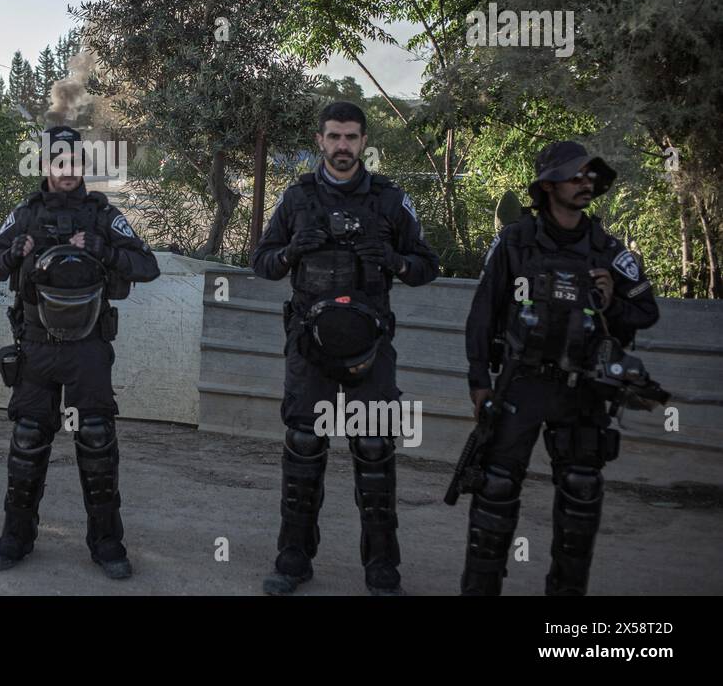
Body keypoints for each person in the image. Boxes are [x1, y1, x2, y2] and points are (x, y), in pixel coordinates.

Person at [252, 101, 439, 595]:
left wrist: (395, 261)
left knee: (375, 448)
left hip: (370, 348)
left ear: (363, 142)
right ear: (319, 139)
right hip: (309, 347)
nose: (341, 146)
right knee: (305, 446)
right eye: (333, 136)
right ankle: (292, 560)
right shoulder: (296, 198)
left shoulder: (390, 200)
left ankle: (382, 569)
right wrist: (293, 250)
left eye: (351, 137)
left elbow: (427, 267)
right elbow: (262, 263)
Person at [460, 140, 659, 595]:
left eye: (591, 175)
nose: (586, 182)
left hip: (582, 389)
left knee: (581, 494)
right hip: (521, 384)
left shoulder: (607, 248)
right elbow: (482, 313)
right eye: (575, 175)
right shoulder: (515, 241)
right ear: (548, 186)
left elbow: (645, 311)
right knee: (494, 491)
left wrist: (612, 302)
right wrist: (478, 382)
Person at [0, 125, 160, 578]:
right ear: (45, 165)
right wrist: (13, 254)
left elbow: (147, 266)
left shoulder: (102, 215)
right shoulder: (25, 214)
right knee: (27, 443)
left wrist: (104, 250)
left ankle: (106, 545)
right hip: (36, 347)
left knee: (97, 442)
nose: (67, 170)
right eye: (58, 161)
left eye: (75, 161)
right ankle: (16, 538)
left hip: (88, 351)